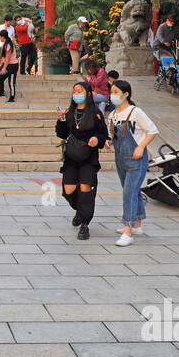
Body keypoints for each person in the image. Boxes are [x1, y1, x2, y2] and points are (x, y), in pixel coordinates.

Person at [106, 79, 160, 247]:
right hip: (121, 158)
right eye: (111, 92)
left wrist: (141, 147)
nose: (112, 95)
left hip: (137, 159)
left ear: (126, 94)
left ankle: (128, 231)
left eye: (116, 92)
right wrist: (109, 141)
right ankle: (137, 225)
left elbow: (153, 131)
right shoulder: (113, 115)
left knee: (128, 193)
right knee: (132, 191)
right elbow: (113, 135)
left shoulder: (135, 112)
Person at [55, 80, 109, 240]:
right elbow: (62, 134)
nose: (76, 94)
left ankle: (84, 224)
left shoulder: (96, 113)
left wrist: (96, 140)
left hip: (88, 157)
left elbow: (103, 134)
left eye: (79, 91)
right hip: (71, 157)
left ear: (88, 93)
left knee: (86, 189)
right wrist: (61, 120)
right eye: (74, 92)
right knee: (68, 190)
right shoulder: (69, 112)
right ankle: (80, 210)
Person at [0, 29, 19, 102]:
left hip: (13, 66)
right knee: (0, 78)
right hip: (7, 65)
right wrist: (1, 65)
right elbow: (4, 57)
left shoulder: (8, 44)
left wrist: (4, 68)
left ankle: (12, 98)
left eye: (0, 37)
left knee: (11, 82)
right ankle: (1, 92)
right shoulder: (5, 44)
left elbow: (8, 58)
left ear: (3, 37)